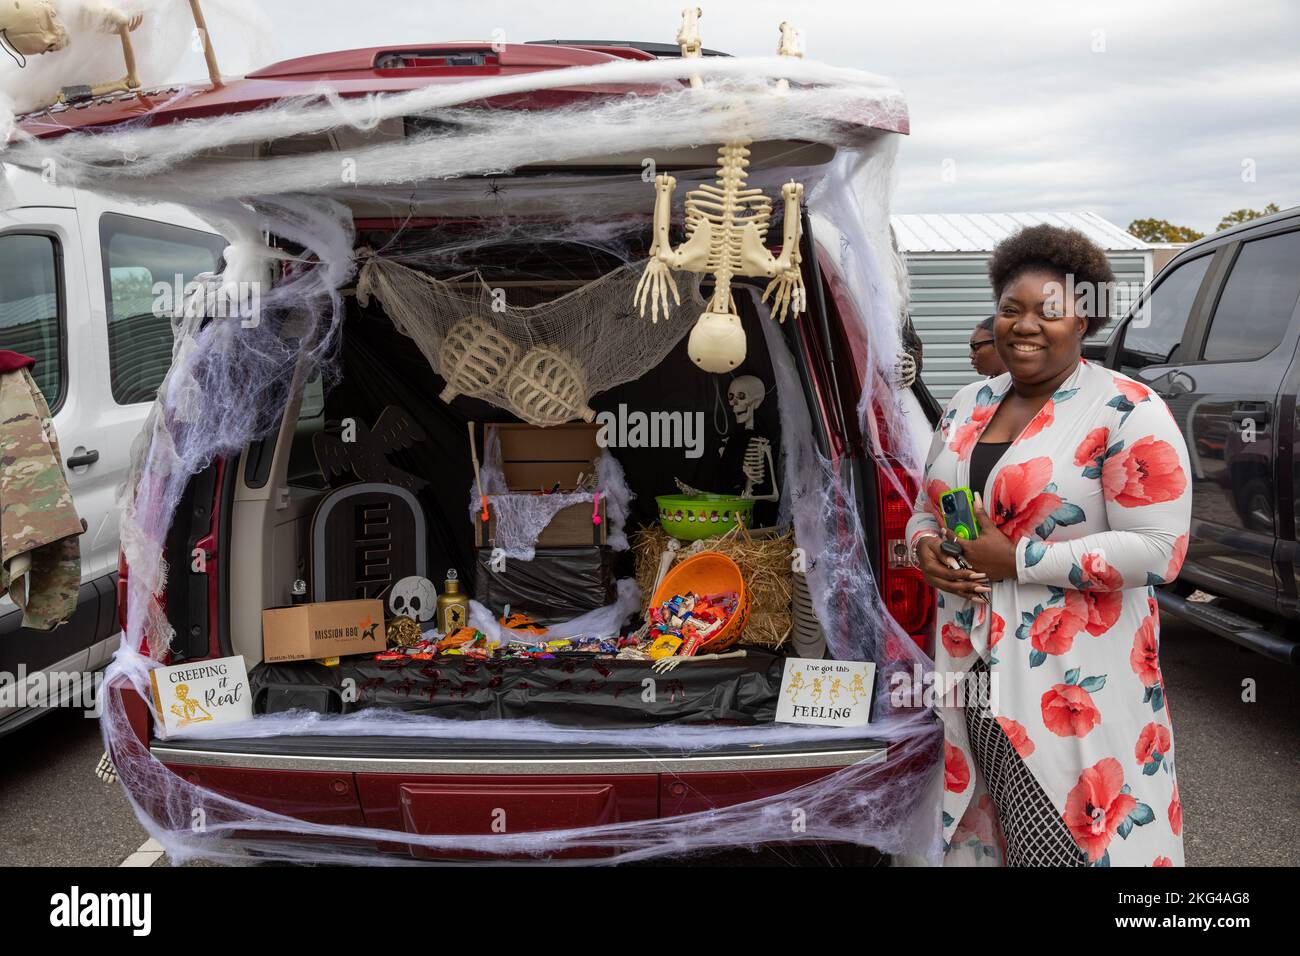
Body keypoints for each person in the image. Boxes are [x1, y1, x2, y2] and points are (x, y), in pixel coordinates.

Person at [905, 224, 1190, 867]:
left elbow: (1160, 550)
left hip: (1071, 684)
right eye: (1011, 310)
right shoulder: (966, 404)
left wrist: (1022, 560)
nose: (1025, 325)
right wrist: (924, 545)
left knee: (1072, 838)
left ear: (1084, 318)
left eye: (1048, 311)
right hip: (972, 668)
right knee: (994, 826)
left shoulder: (1126, 410)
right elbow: (929, 507)